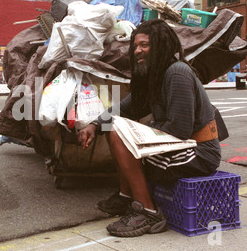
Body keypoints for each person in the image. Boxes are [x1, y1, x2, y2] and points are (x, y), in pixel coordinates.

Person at [77, 19, 221, 238]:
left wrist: (141, 131)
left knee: (120, 133)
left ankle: (149, 212)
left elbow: (180, 129)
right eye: (135, 46)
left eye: (144, 45)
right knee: (113, 124)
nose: (137, 51)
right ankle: (126, 196)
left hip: (199, 153)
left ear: (161, 45)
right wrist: (94, 125)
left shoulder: (177, 72)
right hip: (179, 145)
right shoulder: (155, 76)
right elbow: (124, 109)